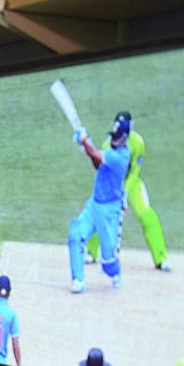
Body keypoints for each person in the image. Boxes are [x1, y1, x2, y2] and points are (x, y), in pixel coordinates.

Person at [85, 112, 170, 273]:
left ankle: (161, 257)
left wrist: (125, 193)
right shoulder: (107, 145)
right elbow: (104, 172)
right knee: (100, 213)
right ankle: (91, 252)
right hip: (112, 184)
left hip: (132, 184)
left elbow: (135, 171)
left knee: (147, 215)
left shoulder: (138, 143)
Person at [67, 112, 131, 294]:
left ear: (125, 138)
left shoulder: (122, 157)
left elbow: (96, 155)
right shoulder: (110, 149)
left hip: (109, 210)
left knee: (108, 262)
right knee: (75, 236)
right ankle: (78, 280)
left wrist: (85, 140)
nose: (113, 140)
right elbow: (97, 163)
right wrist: (85, 146)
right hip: (94, 204)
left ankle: (115, 273)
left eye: (117, 138)